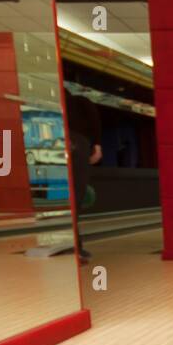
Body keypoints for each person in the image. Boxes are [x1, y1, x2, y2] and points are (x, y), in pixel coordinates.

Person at [64, 88, 102, 262]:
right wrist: (97, 145)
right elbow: (94, 122)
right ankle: (75, 248)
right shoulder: (81, 102)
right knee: (75, 198)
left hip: (52, 142)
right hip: (78, 143)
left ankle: (71, 246)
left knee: (61, 200)